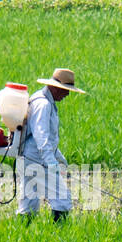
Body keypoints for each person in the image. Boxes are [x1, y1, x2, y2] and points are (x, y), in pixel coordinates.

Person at [18, 68, 86, 223]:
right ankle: (60, 236)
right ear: (55, 88)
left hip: (29, 157)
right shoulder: (44, 105)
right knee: (62, 200)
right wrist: (50, 162)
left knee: (29, 203)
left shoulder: (41, 99)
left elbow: (48, 139)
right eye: (65, 90)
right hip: (38, 160)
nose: (67, 94)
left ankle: (23, 234)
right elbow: (41, 136)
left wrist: (59, 158)